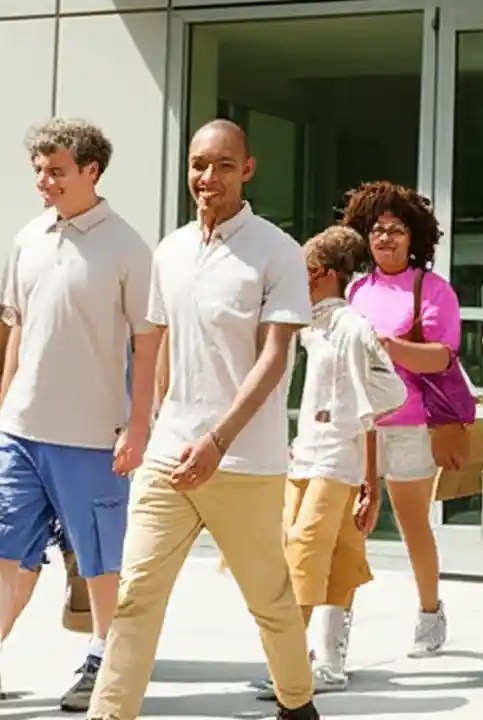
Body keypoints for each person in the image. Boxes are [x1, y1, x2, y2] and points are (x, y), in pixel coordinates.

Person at [87, 119, 319, 720]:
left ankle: (297, 706)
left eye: (221, 165)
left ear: (248, 169)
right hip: (169, 457)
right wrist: (144, 430)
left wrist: (218, 441)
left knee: (269, 599)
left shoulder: (277, 251)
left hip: (243, 459)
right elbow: (156, 349)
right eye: (197, 164)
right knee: (136, 594)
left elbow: (275, 358)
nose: (206, 177)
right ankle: (111, 712)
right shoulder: (170, 250)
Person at [0, 118, 159, 711]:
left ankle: (103, 663)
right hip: (19, 431)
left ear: (92, 170)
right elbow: (15, 333)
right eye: (39, 171)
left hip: (92, 436)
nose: (44, 181)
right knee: (4, 548)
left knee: (100, 560)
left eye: (57, 171)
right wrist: (2, 409)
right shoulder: (27, 238)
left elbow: (148, 344)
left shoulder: (127, 247)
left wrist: (138, 426)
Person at [251, 226, 407, 697]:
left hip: (337, 457)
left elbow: (377, 402)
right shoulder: (309, 327)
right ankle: (331, 662)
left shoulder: (351, 328)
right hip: (306, 454)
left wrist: (370, 480)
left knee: (303, 550)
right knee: (336, 554)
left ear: (322, 274)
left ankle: (290, 664)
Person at [343, 181, 457, 657]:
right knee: (348, 530)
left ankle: (430, 612)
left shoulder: (432, 290)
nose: (385, 239)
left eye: (395, 230)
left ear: (415, 238)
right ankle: (336, 625)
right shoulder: (354, 289)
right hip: (358, 427)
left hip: (409, 424)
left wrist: (390, 348)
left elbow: (443, 358)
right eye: (376, 230)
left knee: (412, 524)